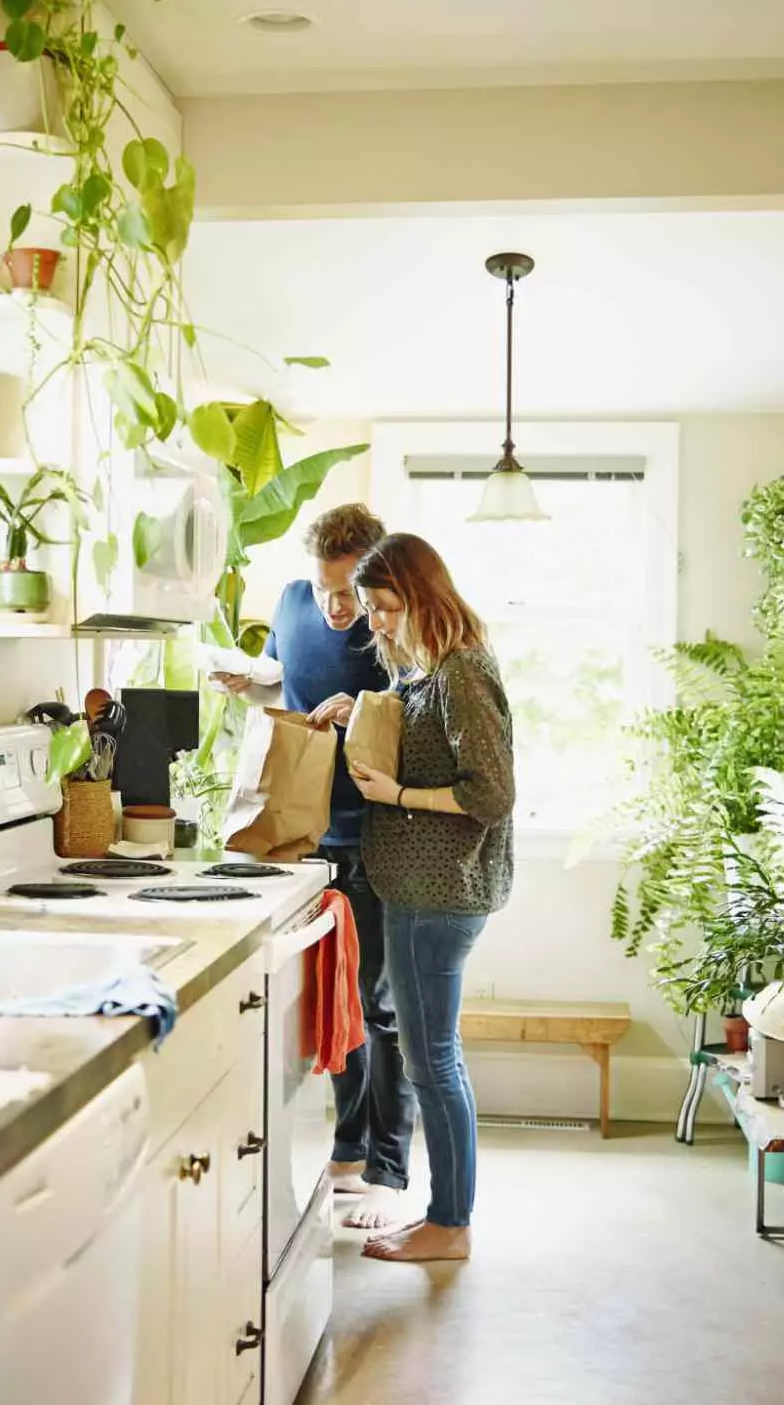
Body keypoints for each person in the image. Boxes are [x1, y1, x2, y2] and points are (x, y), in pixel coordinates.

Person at [210, 503, 415, 1230]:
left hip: (374, 839)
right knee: (330, 1005)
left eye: (345, 591)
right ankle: (348, 1145)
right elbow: (283, 677)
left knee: (379, 1008)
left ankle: (389, 1166)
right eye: (323, 588)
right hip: (301, 838)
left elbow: (414, 710)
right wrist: (253, 683)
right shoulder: (293, 602)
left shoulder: (394, 619)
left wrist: (359, 704)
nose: (334, 606)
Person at [345, 532, 516, 1264]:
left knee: (431, 1064)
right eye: (369, 609)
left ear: (420, 596)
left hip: (436, 893)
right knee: (433, 1060)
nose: (375, 623)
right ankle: (445, 1217)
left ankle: (449, 1225)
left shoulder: (461, 673)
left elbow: (492, 793)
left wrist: (399, 794)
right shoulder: (432, 671)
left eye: (384, 607)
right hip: (419, 889)